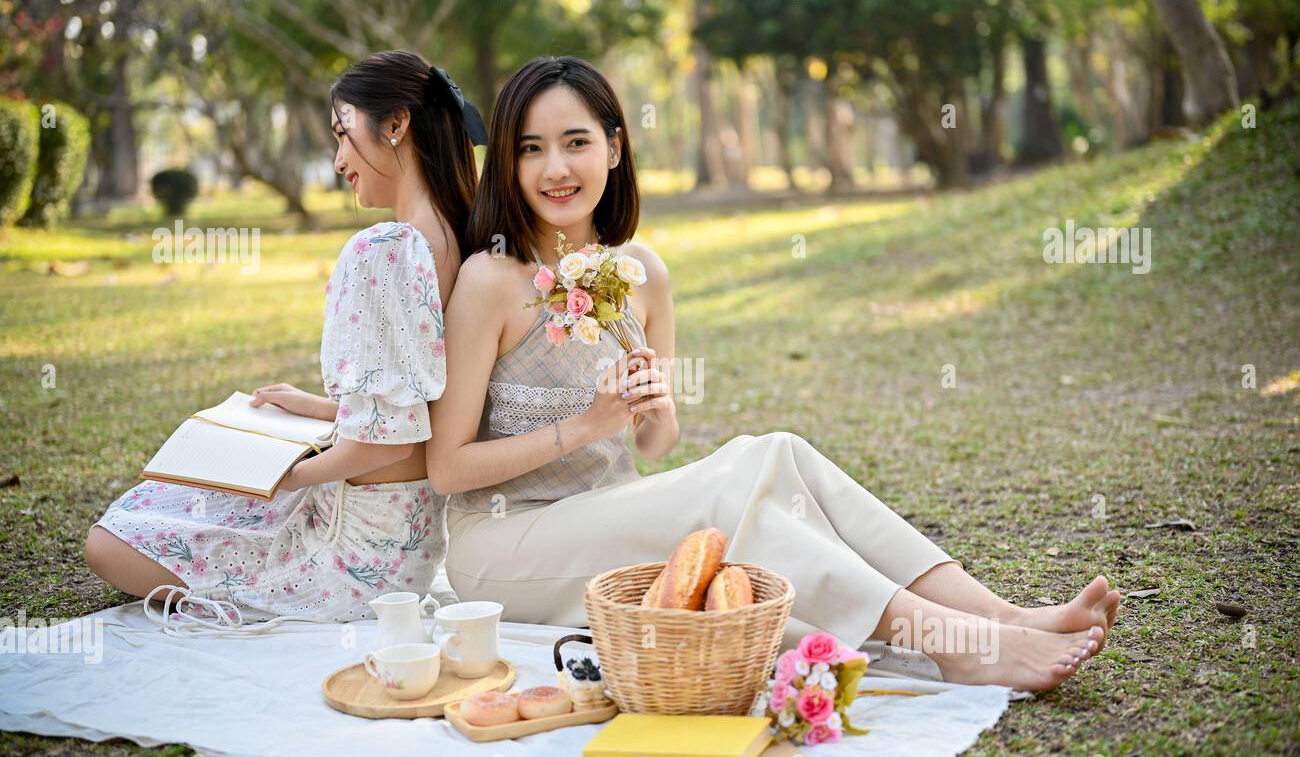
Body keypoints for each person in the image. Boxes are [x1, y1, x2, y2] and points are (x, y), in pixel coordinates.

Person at [426, 55, 1122, 691]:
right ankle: (954, 644)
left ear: (613, 146)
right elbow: (447, 469)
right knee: (728, 494)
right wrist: (582, 427)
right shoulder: (491, 279)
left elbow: (654, 446)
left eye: (575, 142)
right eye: (530, 148)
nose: (556, 168)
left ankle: (1005, 616)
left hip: (611, 518)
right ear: (509, 165)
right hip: (506, 547)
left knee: (779, 452)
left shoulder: (642, 273)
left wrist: (652, 406)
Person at [84, 50, 485, 635]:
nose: (339, 157)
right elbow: (421, 411)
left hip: (352, 555)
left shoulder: (386, 250)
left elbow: (385, 449)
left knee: (109, 540)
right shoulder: (455, 235)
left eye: (343, 134)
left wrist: (273, 475)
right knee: (163, 500)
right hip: (411, 545)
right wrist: (323, 410)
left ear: (396, 124)